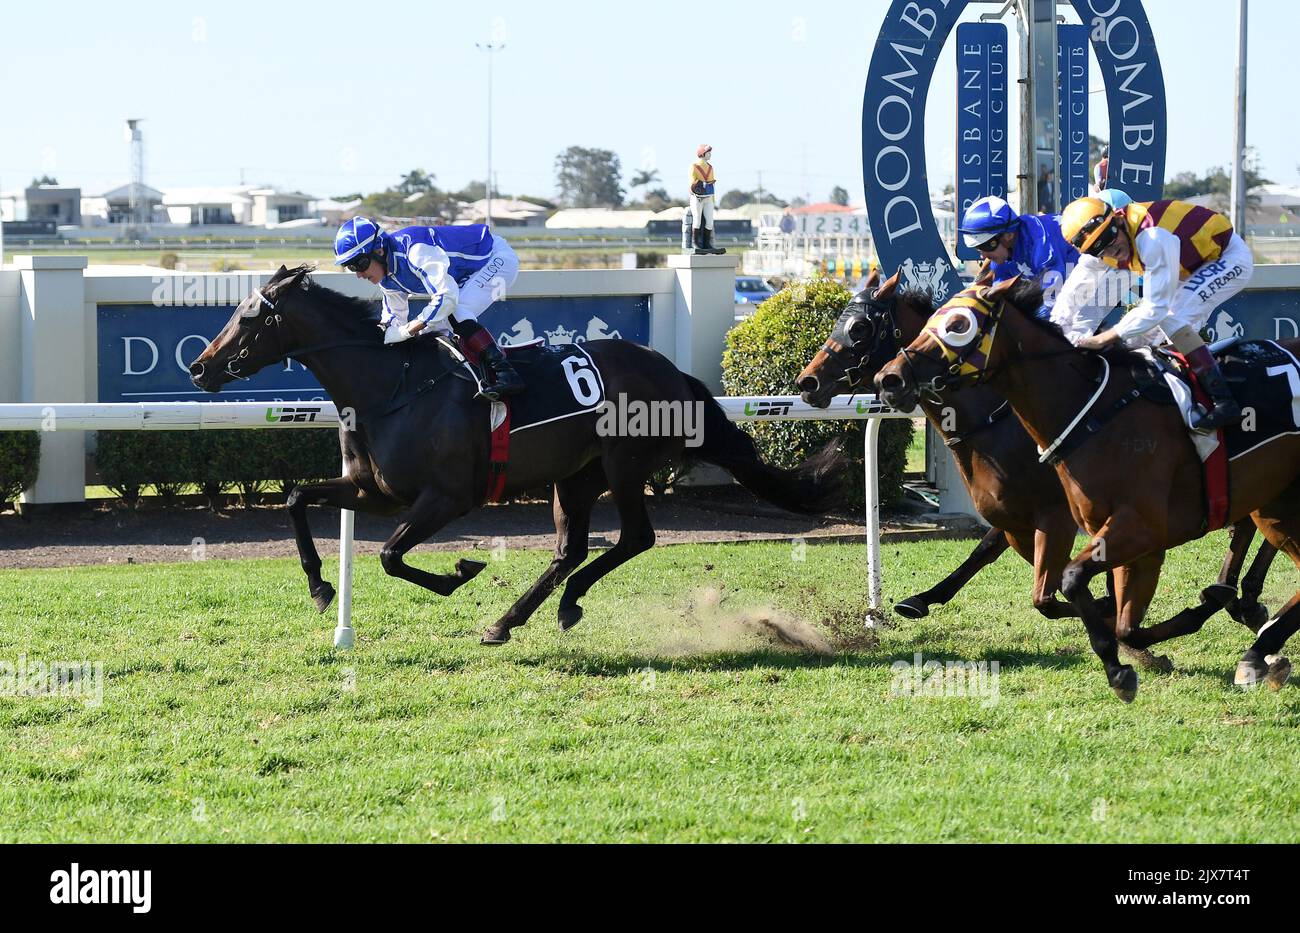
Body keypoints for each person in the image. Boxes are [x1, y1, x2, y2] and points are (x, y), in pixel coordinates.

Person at [1054, 196, 1253, 430]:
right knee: (1142, 339)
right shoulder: (1102, 248)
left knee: (1173, 316)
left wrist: (1103, 338)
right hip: (1184, 269)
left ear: (1118, 219)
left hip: (1227, 257)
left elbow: (1155, 308)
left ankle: (1224, 401)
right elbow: (1072, 293)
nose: (1110, 250)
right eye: (1097, 248)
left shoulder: (1152, 237)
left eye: (1108, 238)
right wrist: (1055, 330)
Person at [333, 216, 524, 400]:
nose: (359, 274)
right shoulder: (387, 279)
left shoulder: (415, 251)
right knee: (433, 329)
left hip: (496, 258)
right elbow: (392, 323)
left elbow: (446, 298)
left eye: (360, 264)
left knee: (455, 312)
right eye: (351, 267)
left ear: (379, 251)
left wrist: (410, 329)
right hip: (467, 271)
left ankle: (506, 373)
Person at [957, 195, 1079, 318]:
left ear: (1008, 235)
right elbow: (1001, 300)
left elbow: (1050, 306)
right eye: (978, 248)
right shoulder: (1002, 253)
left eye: (985, 246)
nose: (983, 256)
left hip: (1090, 273)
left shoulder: (1042, 248)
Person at [689, 145, 725, 255]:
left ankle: (706, 244)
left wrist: (713, 199)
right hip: (697, 198)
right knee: (697, 220)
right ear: (702, 154)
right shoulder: (694, 166)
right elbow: (692, 183)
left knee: (709, 222)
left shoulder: (710, 167)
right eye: (708, 152)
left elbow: (711, 183)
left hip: (709, 198)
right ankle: (695, 243)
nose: (710, 154)